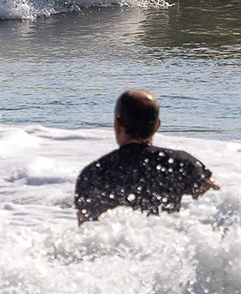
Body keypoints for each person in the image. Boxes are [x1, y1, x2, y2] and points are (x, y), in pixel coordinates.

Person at [74, 88, 217, 223]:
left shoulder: (93, 173)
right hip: (167, 243)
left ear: (118, 125)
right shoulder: (180, 163)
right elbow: (219, 199)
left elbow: (85, 230)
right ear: (157, 126)